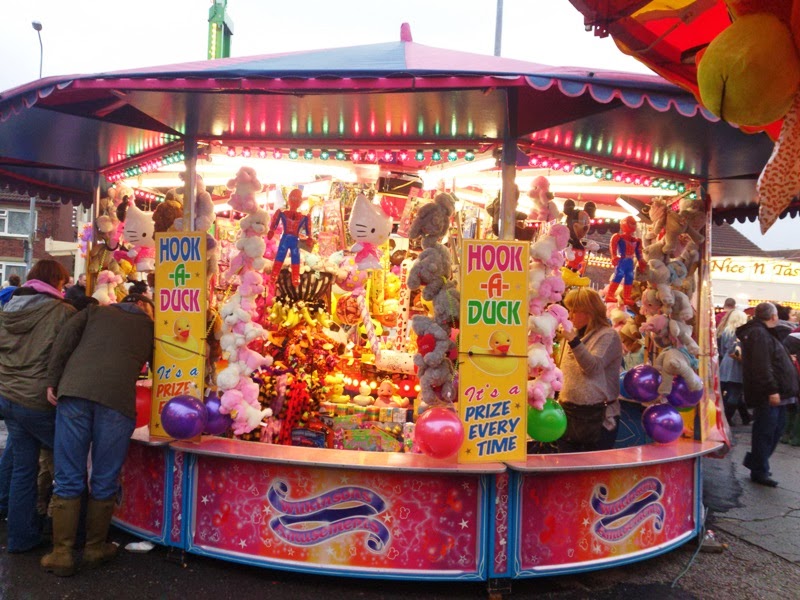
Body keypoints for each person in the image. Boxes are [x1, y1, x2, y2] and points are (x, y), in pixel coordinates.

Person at [41, 293, 154, 576]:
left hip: (75, 393)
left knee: (68, 474)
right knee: (105, 476)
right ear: (144, 308)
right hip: (117, 401)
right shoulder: (152, 327)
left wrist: (52, 380)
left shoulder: (94, 312)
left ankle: (62, 553)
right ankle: (94, 548)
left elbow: (63, 342)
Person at [0, 259, 75, 552]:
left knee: (23, 469)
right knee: (69, 462)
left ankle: (20, 537)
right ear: (56, 282)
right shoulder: (62, 312)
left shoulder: (8, 308)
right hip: (38, 401)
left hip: (9, 396)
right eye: (63, 283)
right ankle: (70, 535)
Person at [737, 302, 799, 487]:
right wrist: (772, 390)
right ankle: (759, 468)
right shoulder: (759, 334)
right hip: (769, 393)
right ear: (773, 316)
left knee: (773, 430)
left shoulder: (763, 333)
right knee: (766, 432)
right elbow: (761, 366)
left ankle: (758, 464)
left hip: (776, 392)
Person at [557, 287, 623, 453]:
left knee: (591, 467)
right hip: (568, 414)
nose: (570, 315)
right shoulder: (572, 335)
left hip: (598, 419)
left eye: (574, 310)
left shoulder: (608, 336)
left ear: (589, 312)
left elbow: (593, 368)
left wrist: (574, 341)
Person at [717, 309, 750, 426]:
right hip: (737, 364)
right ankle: (726, 418)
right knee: (735, 393)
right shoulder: (743, 333)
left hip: (726, 363)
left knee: (731, 391)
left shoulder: (725, 331)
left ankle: (745, 417)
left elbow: (722, 350)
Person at [781, 324, 800, 446]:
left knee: (791, 404)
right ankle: (796, 437)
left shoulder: (792, 333)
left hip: (789, 372)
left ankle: (786, 435)